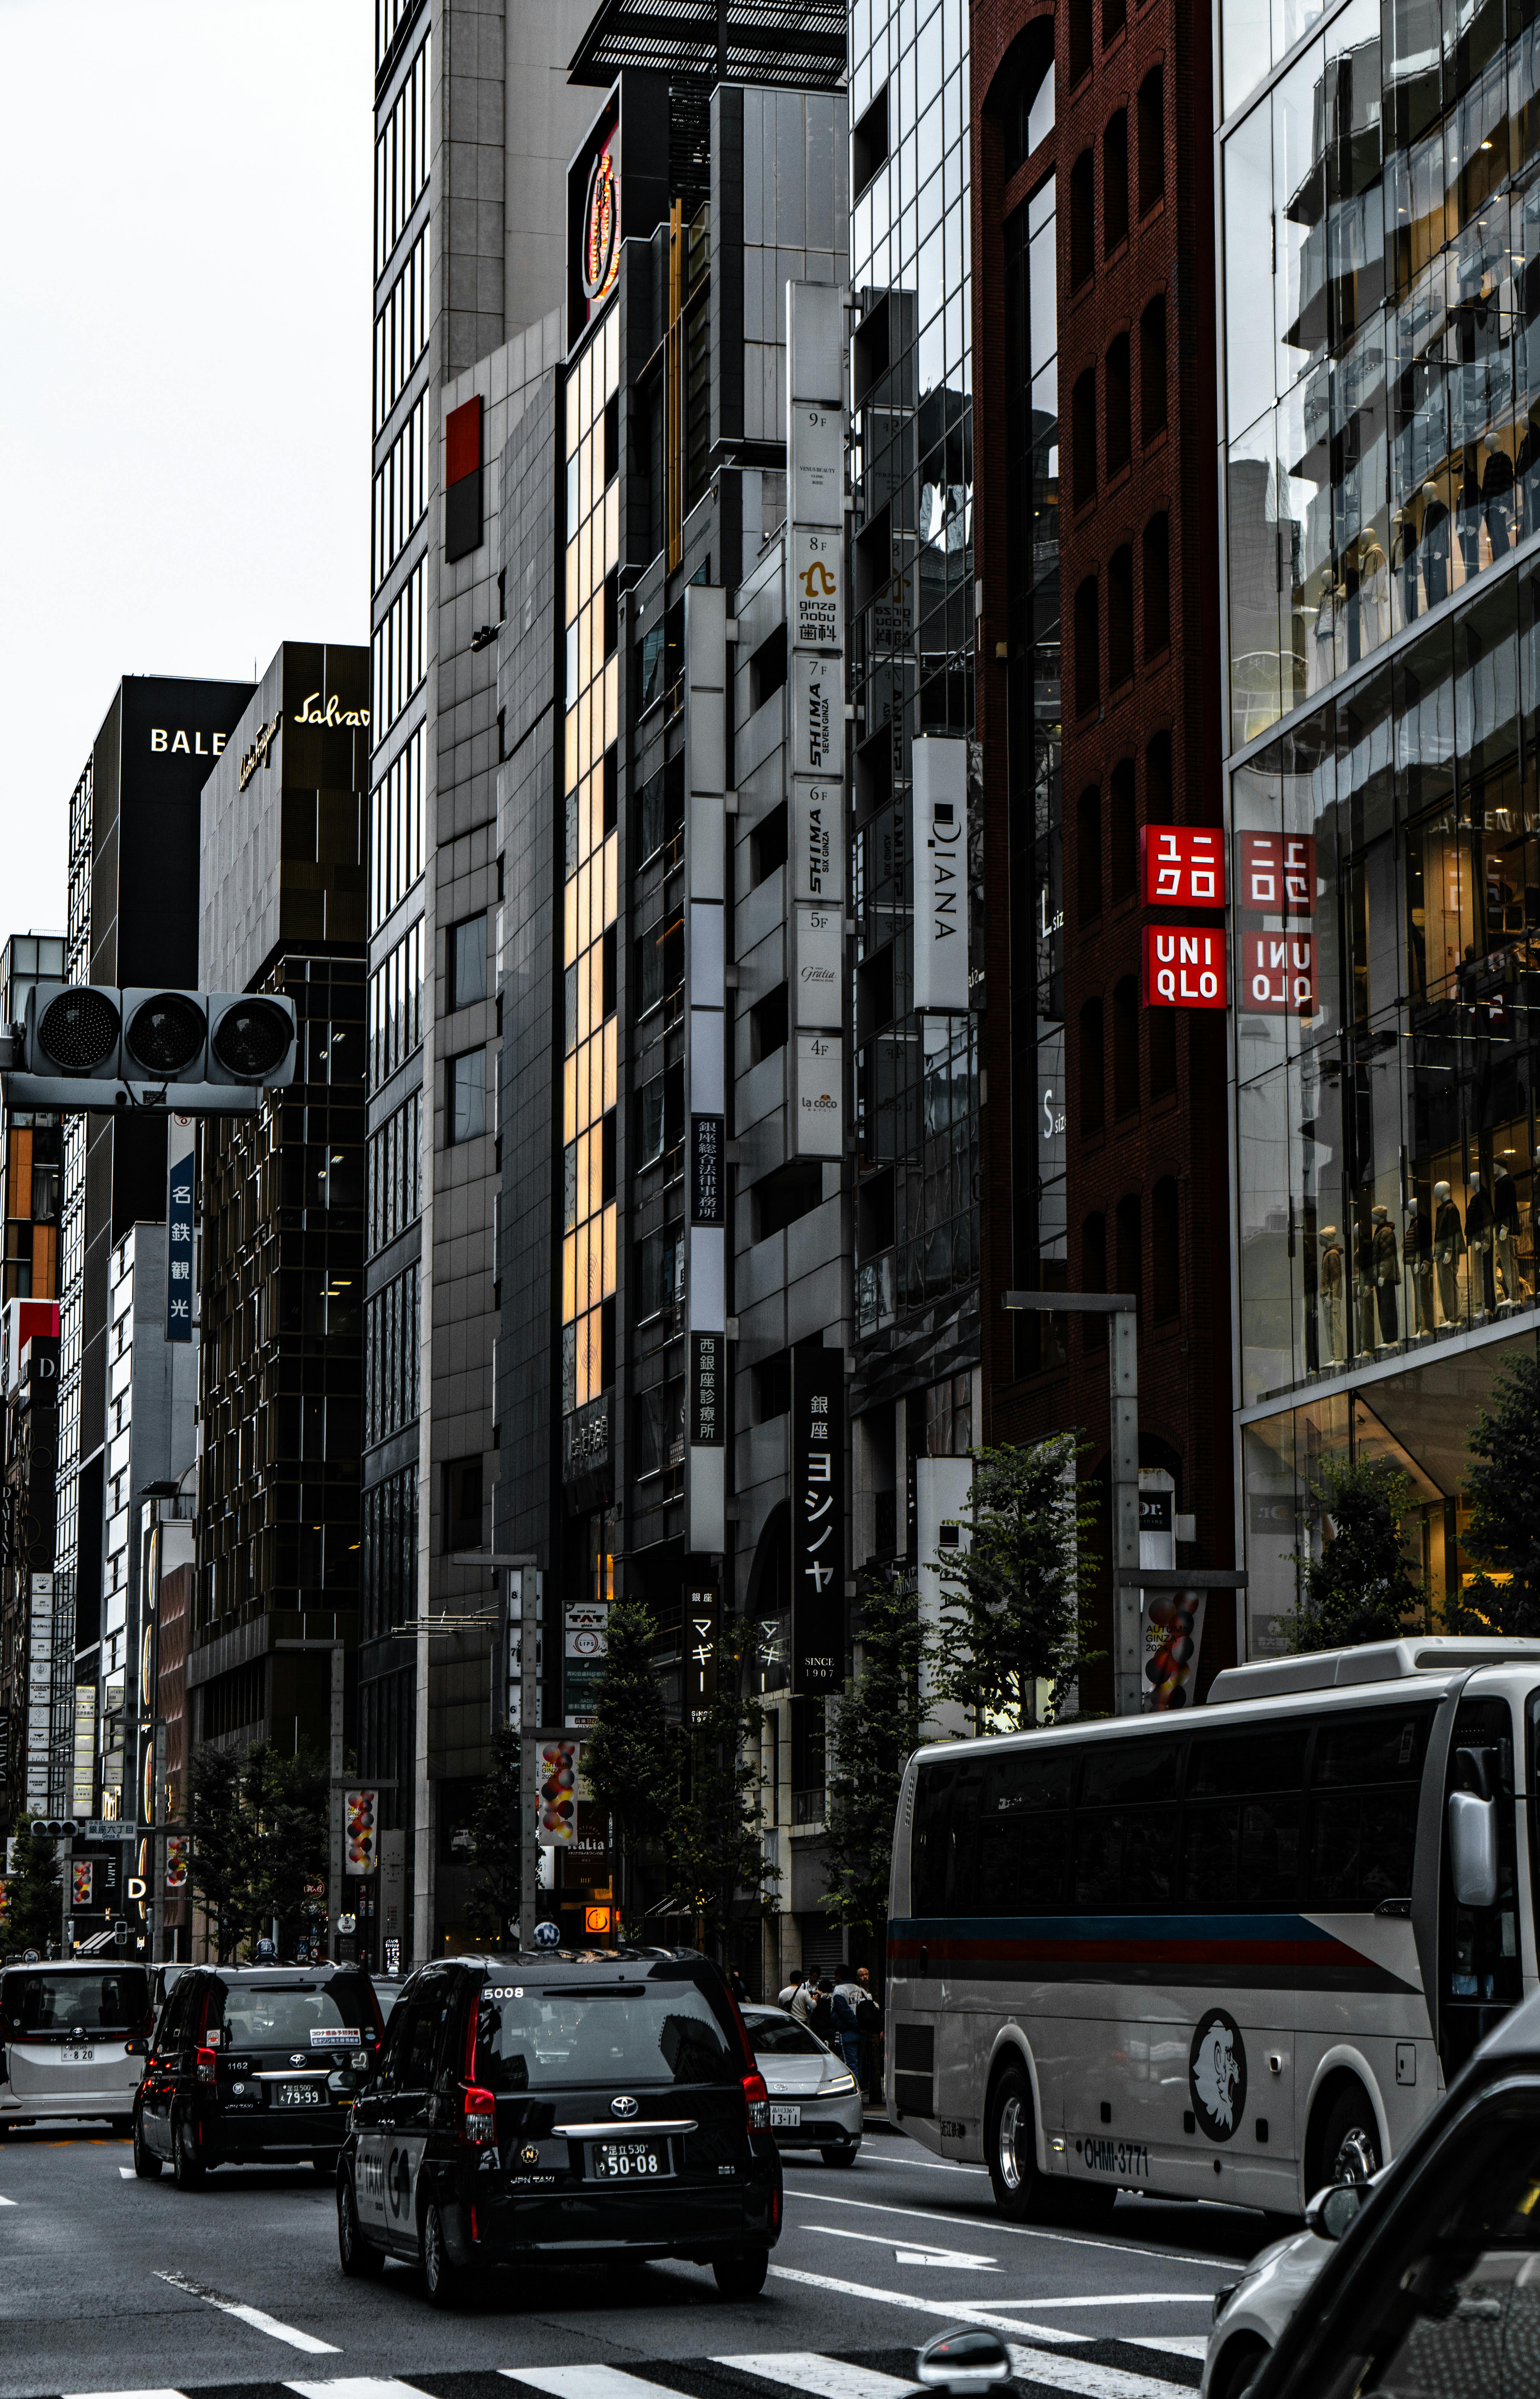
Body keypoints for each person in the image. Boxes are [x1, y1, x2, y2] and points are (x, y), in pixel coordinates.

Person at [831, 1971, 864, 2080]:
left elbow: (845, 2012)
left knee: (850, 2064)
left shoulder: (839, 1990)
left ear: (838, 1976)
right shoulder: (859, 1989)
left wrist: (856, 2025)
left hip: (848, 2031)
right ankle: (860, 2087)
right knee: (858, 2063)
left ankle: (854, 2090)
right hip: (862, 2033)